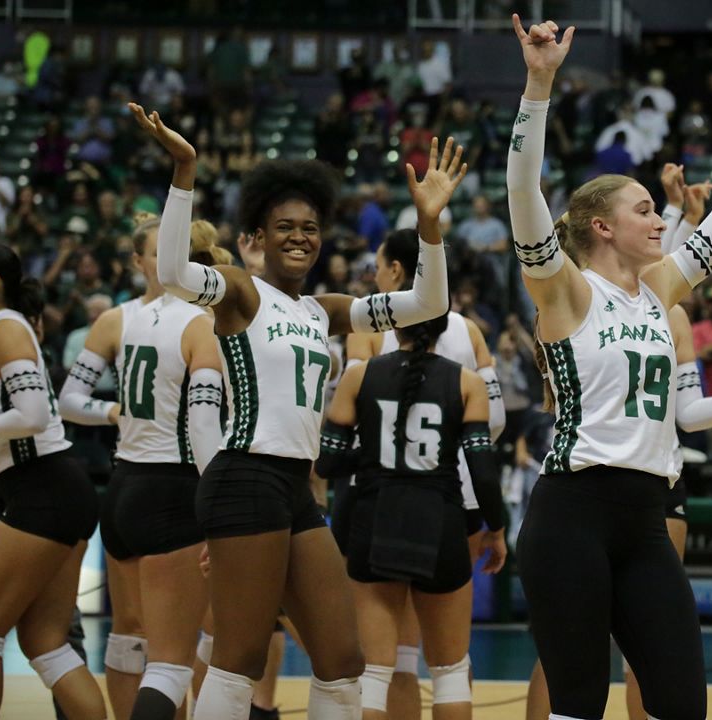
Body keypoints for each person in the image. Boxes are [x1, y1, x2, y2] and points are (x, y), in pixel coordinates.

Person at [506, 14, 712, 719]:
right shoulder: (567, 288)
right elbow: (525, 194)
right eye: (645, 210)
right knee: (577, 703)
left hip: (645, 520)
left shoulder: (662, 290)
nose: (660, 219)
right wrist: (538, 83)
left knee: (681, 703)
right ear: (602, 226)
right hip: (573, 511)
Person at [130, 100, 454, 718]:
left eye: (309, 226)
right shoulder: (242, 292)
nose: (300, 236)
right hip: (244, 475)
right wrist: (185, 170)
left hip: (294, 489)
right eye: (285, 226)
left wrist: (430, 226)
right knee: (238, 659)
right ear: (257, 234)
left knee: (341, 660)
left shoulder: (322, 310)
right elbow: (173, 270)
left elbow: (426, 301)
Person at [57, 216, 228, 719]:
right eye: (155, 252)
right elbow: (203, 425)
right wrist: (111, 412)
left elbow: (68, 400)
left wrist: (109, 413)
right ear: (137, 261)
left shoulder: (117, 318)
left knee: (129, 639)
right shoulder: (204, 322)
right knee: (167, 649)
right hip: (173, 487)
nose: (164, 260)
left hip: (126, 489)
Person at [342, 227, 507, 719]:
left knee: (391, 654)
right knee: (451, 652)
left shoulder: (369, 326)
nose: (373, 274)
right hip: (457, 496)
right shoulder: (468, 329)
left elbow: (355, 426)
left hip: (382, 495)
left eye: (378, 265)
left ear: (396, 271)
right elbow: (495, 420)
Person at [0, 243, 105, 720]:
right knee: (46, 643)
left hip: (42, 492)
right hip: (57, 488)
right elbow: (25, 430)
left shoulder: (4, 328)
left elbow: (31, 416)